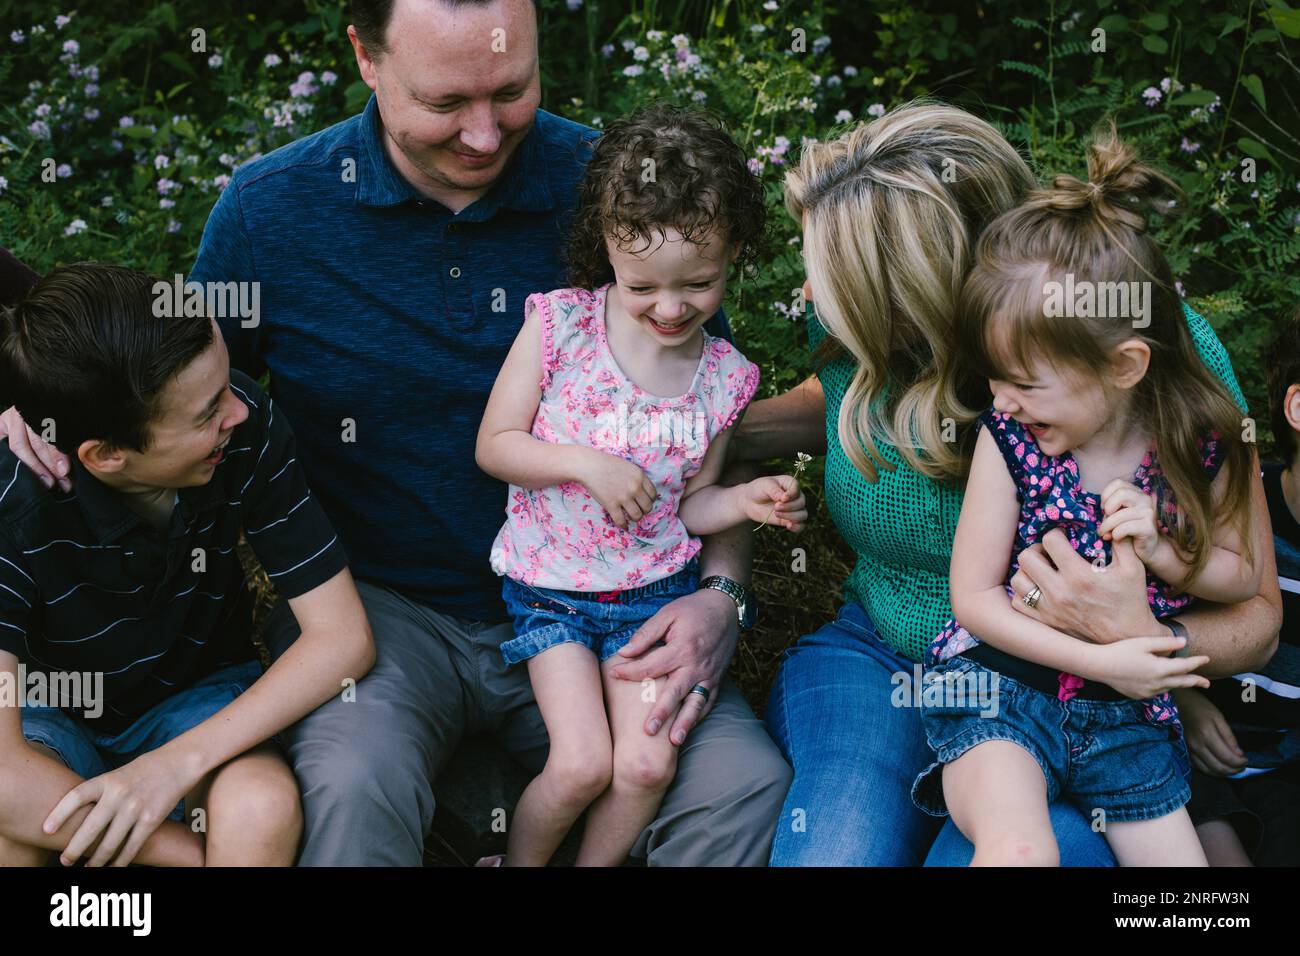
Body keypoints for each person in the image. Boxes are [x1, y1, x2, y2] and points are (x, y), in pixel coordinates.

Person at [1, 0, 793, 865]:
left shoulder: (623, 190)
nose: (486, 136)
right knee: (349, 788)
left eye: (512, 90)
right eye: (446, 104)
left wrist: (722, 598)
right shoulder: (272, 214)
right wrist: (33, 400)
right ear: (366, 59)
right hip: (385, 614)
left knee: (739, 789)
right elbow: (162, 392)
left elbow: (707, 434)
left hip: (618, 603)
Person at [732, 102, 1282, 866]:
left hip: (1061, 686)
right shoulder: (871, 366)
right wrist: (654, 427)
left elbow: (1257, 613)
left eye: (842, 286)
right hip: (882, 660)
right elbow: (781, 417)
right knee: (838, 851)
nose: (817, 300)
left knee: (1051, 853)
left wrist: (1146, 650)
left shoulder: (1142, 352)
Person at [909, 129, 1260, 866]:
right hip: (1001, 691)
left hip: (1126, 718)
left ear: (1126, 365)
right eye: (993, 377)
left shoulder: (1202, 446)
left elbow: (1241, 578)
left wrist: (1167, 551)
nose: (1000, 402)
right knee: (1020, 850)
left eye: (1025, 383)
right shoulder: (1009, 445)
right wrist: (1108, 660)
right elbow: (973, 601)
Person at [476, 104, 807, 866]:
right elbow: (495, 446)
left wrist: (748, 502)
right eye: (643, 286)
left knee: (647, 763)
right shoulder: (560, 327)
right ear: (608, 249)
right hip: (552, 590)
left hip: (652, 600)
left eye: (699, 284)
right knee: (583, 762)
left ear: (733, 258)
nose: (670, 308)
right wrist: (585, 464)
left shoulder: (723, 377)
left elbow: (695, 504)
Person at [0, 263, 374, 866]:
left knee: (259, 808)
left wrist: (171, 766)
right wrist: (184, 852)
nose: (239, 412)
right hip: (50, 717)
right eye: (207, 414)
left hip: (194, 702)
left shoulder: (241, 428)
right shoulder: (12, 498)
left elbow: (343, 639)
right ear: (107, 455)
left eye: (227, 386)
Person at [1178, 309, 1300, 866]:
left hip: (1285, 771)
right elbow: (1152, 612)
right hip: (1190, 758)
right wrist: (1185, 701)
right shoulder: (1239, 511)